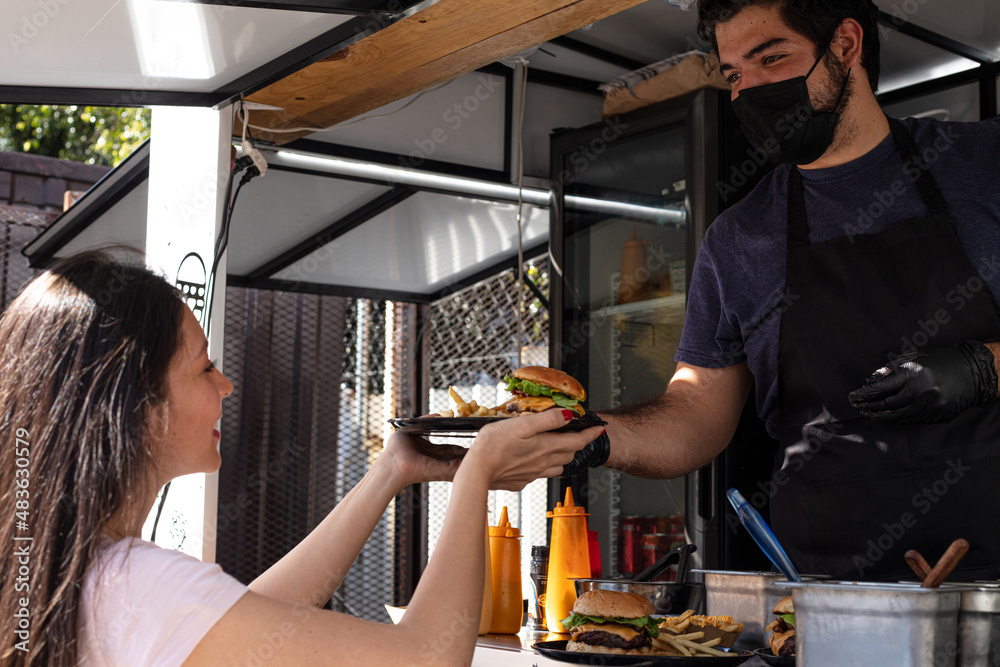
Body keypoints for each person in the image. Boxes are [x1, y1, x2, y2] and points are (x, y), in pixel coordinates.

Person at [563, 0, 1000, 581]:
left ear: (846, 45)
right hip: (827, 596)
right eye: (737, 75)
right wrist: (590, 436)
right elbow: (696, 410)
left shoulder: (982, 166)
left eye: (773, 58)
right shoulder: (742, 237)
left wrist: (984, 368)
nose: (753, 90)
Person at [0, 249, 604, 666]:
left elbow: (258, 618)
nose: (226, 385)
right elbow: (423, 658)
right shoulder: (137, 584)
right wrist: (477, 472)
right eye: (204, 367)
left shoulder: (77, 574)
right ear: (138, 406)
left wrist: (390, 473)